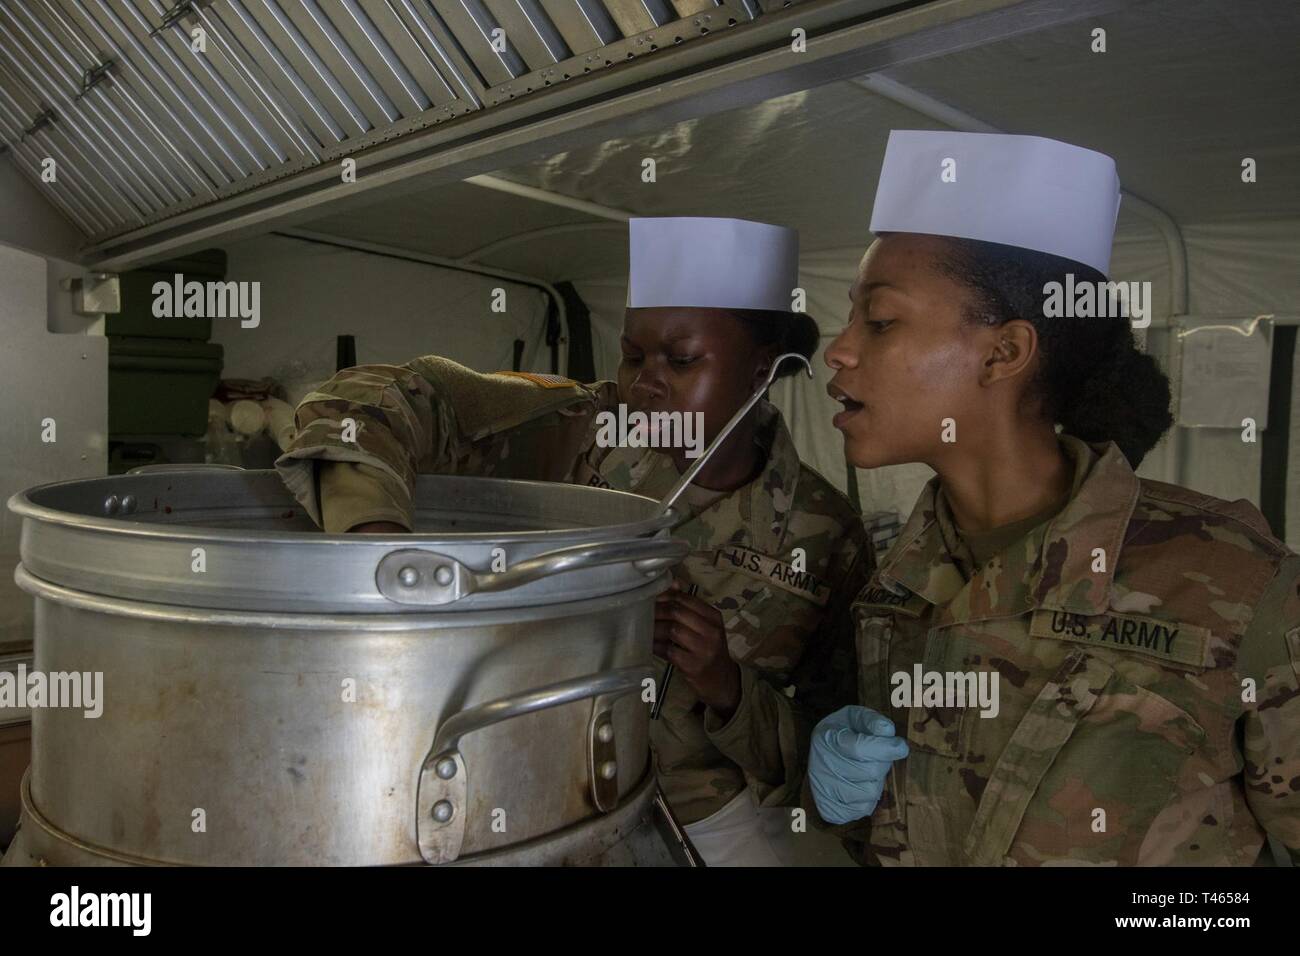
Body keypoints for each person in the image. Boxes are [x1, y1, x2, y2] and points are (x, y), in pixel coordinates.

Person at [276, 216, 871, 866]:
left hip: (711, 815)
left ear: (760, 372)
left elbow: (834, 753)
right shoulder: (583, 429)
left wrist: (727, 686)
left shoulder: (824, 534)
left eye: (680, 360)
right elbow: (367, 399)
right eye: (633, 354)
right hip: (534, 777)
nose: (646, 383)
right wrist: (378, 539)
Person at [804, 130, 1300, 866]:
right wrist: (842, 802)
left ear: (1004, 352)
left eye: (878, 321)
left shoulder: (1239, 583)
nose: (838, 350)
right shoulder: (895, 589)